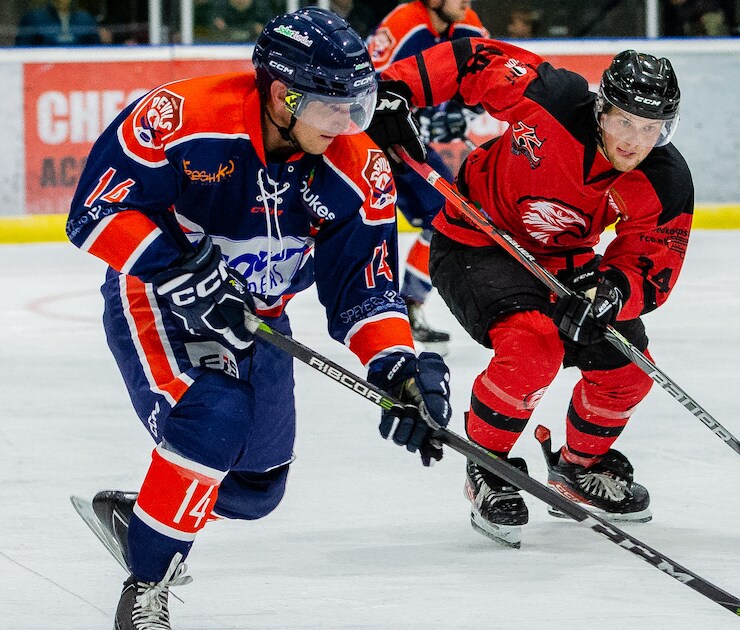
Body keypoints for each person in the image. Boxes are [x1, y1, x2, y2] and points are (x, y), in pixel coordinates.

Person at [64, 9, 451, 629]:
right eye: (333, 105)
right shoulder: (183, 120)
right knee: (216, 413)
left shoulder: (357, 166)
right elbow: (94, 212)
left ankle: (147, 515)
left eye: (358, 103)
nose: (349, 122)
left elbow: (367, 288)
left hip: (257, 315)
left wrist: (396, 366)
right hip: (156, 298)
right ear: (281, 94)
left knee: (255, 489)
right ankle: (146, 584)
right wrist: (177, 266)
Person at [368, 39, 693, 547]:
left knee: (629, 370)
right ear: (601, 107)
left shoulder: (665, 179)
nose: (635, 140)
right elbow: (468, 60)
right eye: (624, 121)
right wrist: (391, 90)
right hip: (476, 242)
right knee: (532, 347)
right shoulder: (553, 97)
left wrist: (610, 293)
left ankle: (580, 467)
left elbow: (650, 262)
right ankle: (488, 466)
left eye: (651, 128)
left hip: (569, 269)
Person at [365, 0, 489, 350]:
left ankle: (409, 306)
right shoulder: (406, 23)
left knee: (448, 214)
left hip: (407, 144)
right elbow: (364, 90)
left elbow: (484, 78)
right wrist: (414, 118)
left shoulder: (466, 22)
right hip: (367, 140)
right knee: (357, 223)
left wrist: (458, 112)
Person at [16, 0, 103, 46]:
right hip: (44, 73)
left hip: (78, 72)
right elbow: (22, 51)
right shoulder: (34, 18)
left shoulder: (85, 19)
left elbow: (96, 51)